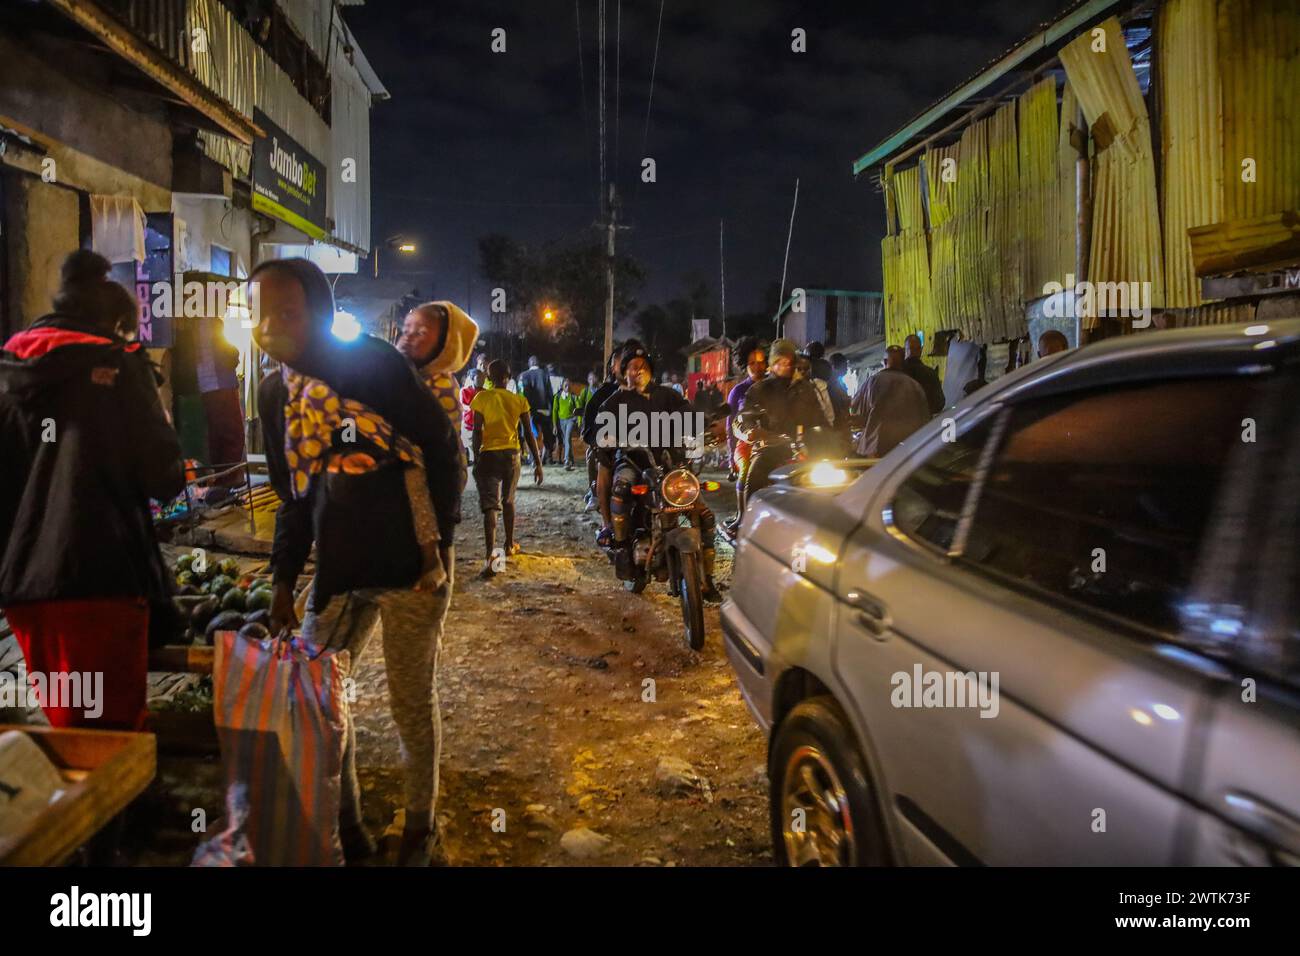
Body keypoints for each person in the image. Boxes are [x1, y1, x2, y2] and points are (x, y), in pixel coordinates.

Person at [252, 258, 460, 867]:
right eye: (261, 310)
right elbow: (292, 494)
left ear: (316, 310)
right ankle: (348, 827)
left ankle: (420, 830)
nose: (272, 323)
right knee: (320, 705)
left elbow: (441, 448)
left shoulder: (373, 363)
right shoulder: (275, 393)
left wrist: (438, 548)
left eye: (286, 310)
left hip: (411, 569)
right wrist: (283, 581)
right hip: (338, 571)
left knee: (410, 705)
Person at [0, 250, 184, 731]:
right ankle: (114, 807)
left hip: (22, 582)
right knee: (112, 732)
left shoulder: (10, 369)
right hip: (102, 573)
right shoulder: (120, 367)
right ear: (117, 321)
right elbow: (164, 478)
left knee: (71, 723)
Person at [595, 344, 721, 602]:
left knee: (705, 514)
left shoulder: (669, 396)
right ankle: (621, 547)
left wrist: (705, 423)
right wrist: (610, 436)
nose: (637, 371)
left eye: (642, 367)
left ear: (651, 371)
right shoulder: (615, 401)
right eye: (631, 367)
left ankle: (707, 579)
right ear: (623, 373)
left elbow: (688, 414)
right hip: (632, 462)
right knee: (620, 489)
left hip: (669, 465)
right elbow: (602, 429)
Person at [397, 301, 479, 510]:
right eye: (406, 329)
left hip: (434, 486)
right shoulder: (412, 377)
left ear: (446, 347)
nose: (408, 337)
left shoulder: (439, 387)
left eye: (421, 333)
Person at [733, 338, 830, 512]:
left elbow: (820, 420)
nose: (784, 366)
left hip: (804, 450)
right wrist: (750, 432)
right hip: (769, 450)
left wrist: (829, 441)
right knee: (753, 478)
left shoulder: (806, 389)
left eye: (788, 361)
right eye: (779, 362)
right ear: (772, 363)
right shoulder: (760, 390)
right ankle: (746, 522)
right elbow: (742, 418)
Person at [470, 359, 543, 577]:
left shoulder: (481, 398)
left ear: (490, 378)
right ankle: (509, 545)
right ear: (508, 377)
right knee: (508, 501)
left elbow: (476, 431)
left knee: (491, 507)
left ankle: (492, 557)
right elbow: (529, 434)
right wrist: (538, 464)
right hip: (512, 455)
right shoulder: (519, 400)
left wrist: (476, 458)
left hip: (489, 454)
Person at [581, 341, 642, 545]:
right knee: (604, 465)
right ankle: (608, 524)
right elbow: (589, 427)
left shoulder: (655, 393)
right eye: (621, 361)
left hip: (650, 451)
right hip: (617, 452)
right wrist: (604, 441)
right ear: (613, 366)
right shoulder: (605, 396)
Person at [851, 345, 931, 457]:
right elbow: (925, 419)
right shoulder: (915, 386)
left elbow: (857, 411)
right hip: (908, 450)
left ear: (884, 361)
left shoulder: (873, 381)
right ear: (903, 362)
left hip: (876, 448)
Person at [726, 337, 766, 520]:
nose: (757, 367)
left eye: (761, 362)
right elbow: (731, 425)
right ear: (745, 365)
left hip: (773, 442)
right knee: (746, 470)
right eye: (752, 363)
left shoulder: (775, 386)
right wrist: (731, 457)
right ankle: (742, 517)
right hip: (746, 444)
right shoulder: (738, 391)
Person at [517, 355, 554, 464]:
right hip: (544, 409)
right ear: (538, 363)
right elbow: (550, 393)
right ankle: (547, 456)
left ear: (530, 364)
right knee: (546, 433)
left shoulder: (523, 376)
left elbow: (521, 394)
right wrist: (551, 408)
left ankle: (533, 457)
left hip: (529, 411)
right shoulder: (544, 374)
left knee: (530, 433)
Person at [901, 334, 945, 415]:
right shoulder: (931, 373)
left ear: (904, 351)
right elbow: (940, 403)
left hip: (902, 422)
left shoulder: (898, 373)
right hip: (925, 422)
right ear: (921, 350)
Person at [552, 379, 583, 470]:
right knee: (566, 441)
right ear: (562, 386)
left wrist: (579, 422)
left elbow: (578, 409)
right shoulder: (557, 397)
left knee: (567, 438)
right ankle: (572, 460)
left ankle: (566, 460)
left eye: (569, 385)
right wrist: (554, 425)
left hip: (571, 420)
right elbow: (555, 411)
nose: (567, 387)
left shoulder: (573, 396)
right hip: (561, 421)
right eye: (565, 385)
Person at [460, 368, 484, 464]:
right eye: (479, 378)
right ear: (472, 378)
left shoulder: (485, 391)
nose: (482, 380)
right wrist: (474, 407)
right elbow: (463, 405)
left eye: (483, 378)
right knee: (469, 445)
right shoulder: (464, 391)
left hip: (482, 424)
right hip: (468, 423)